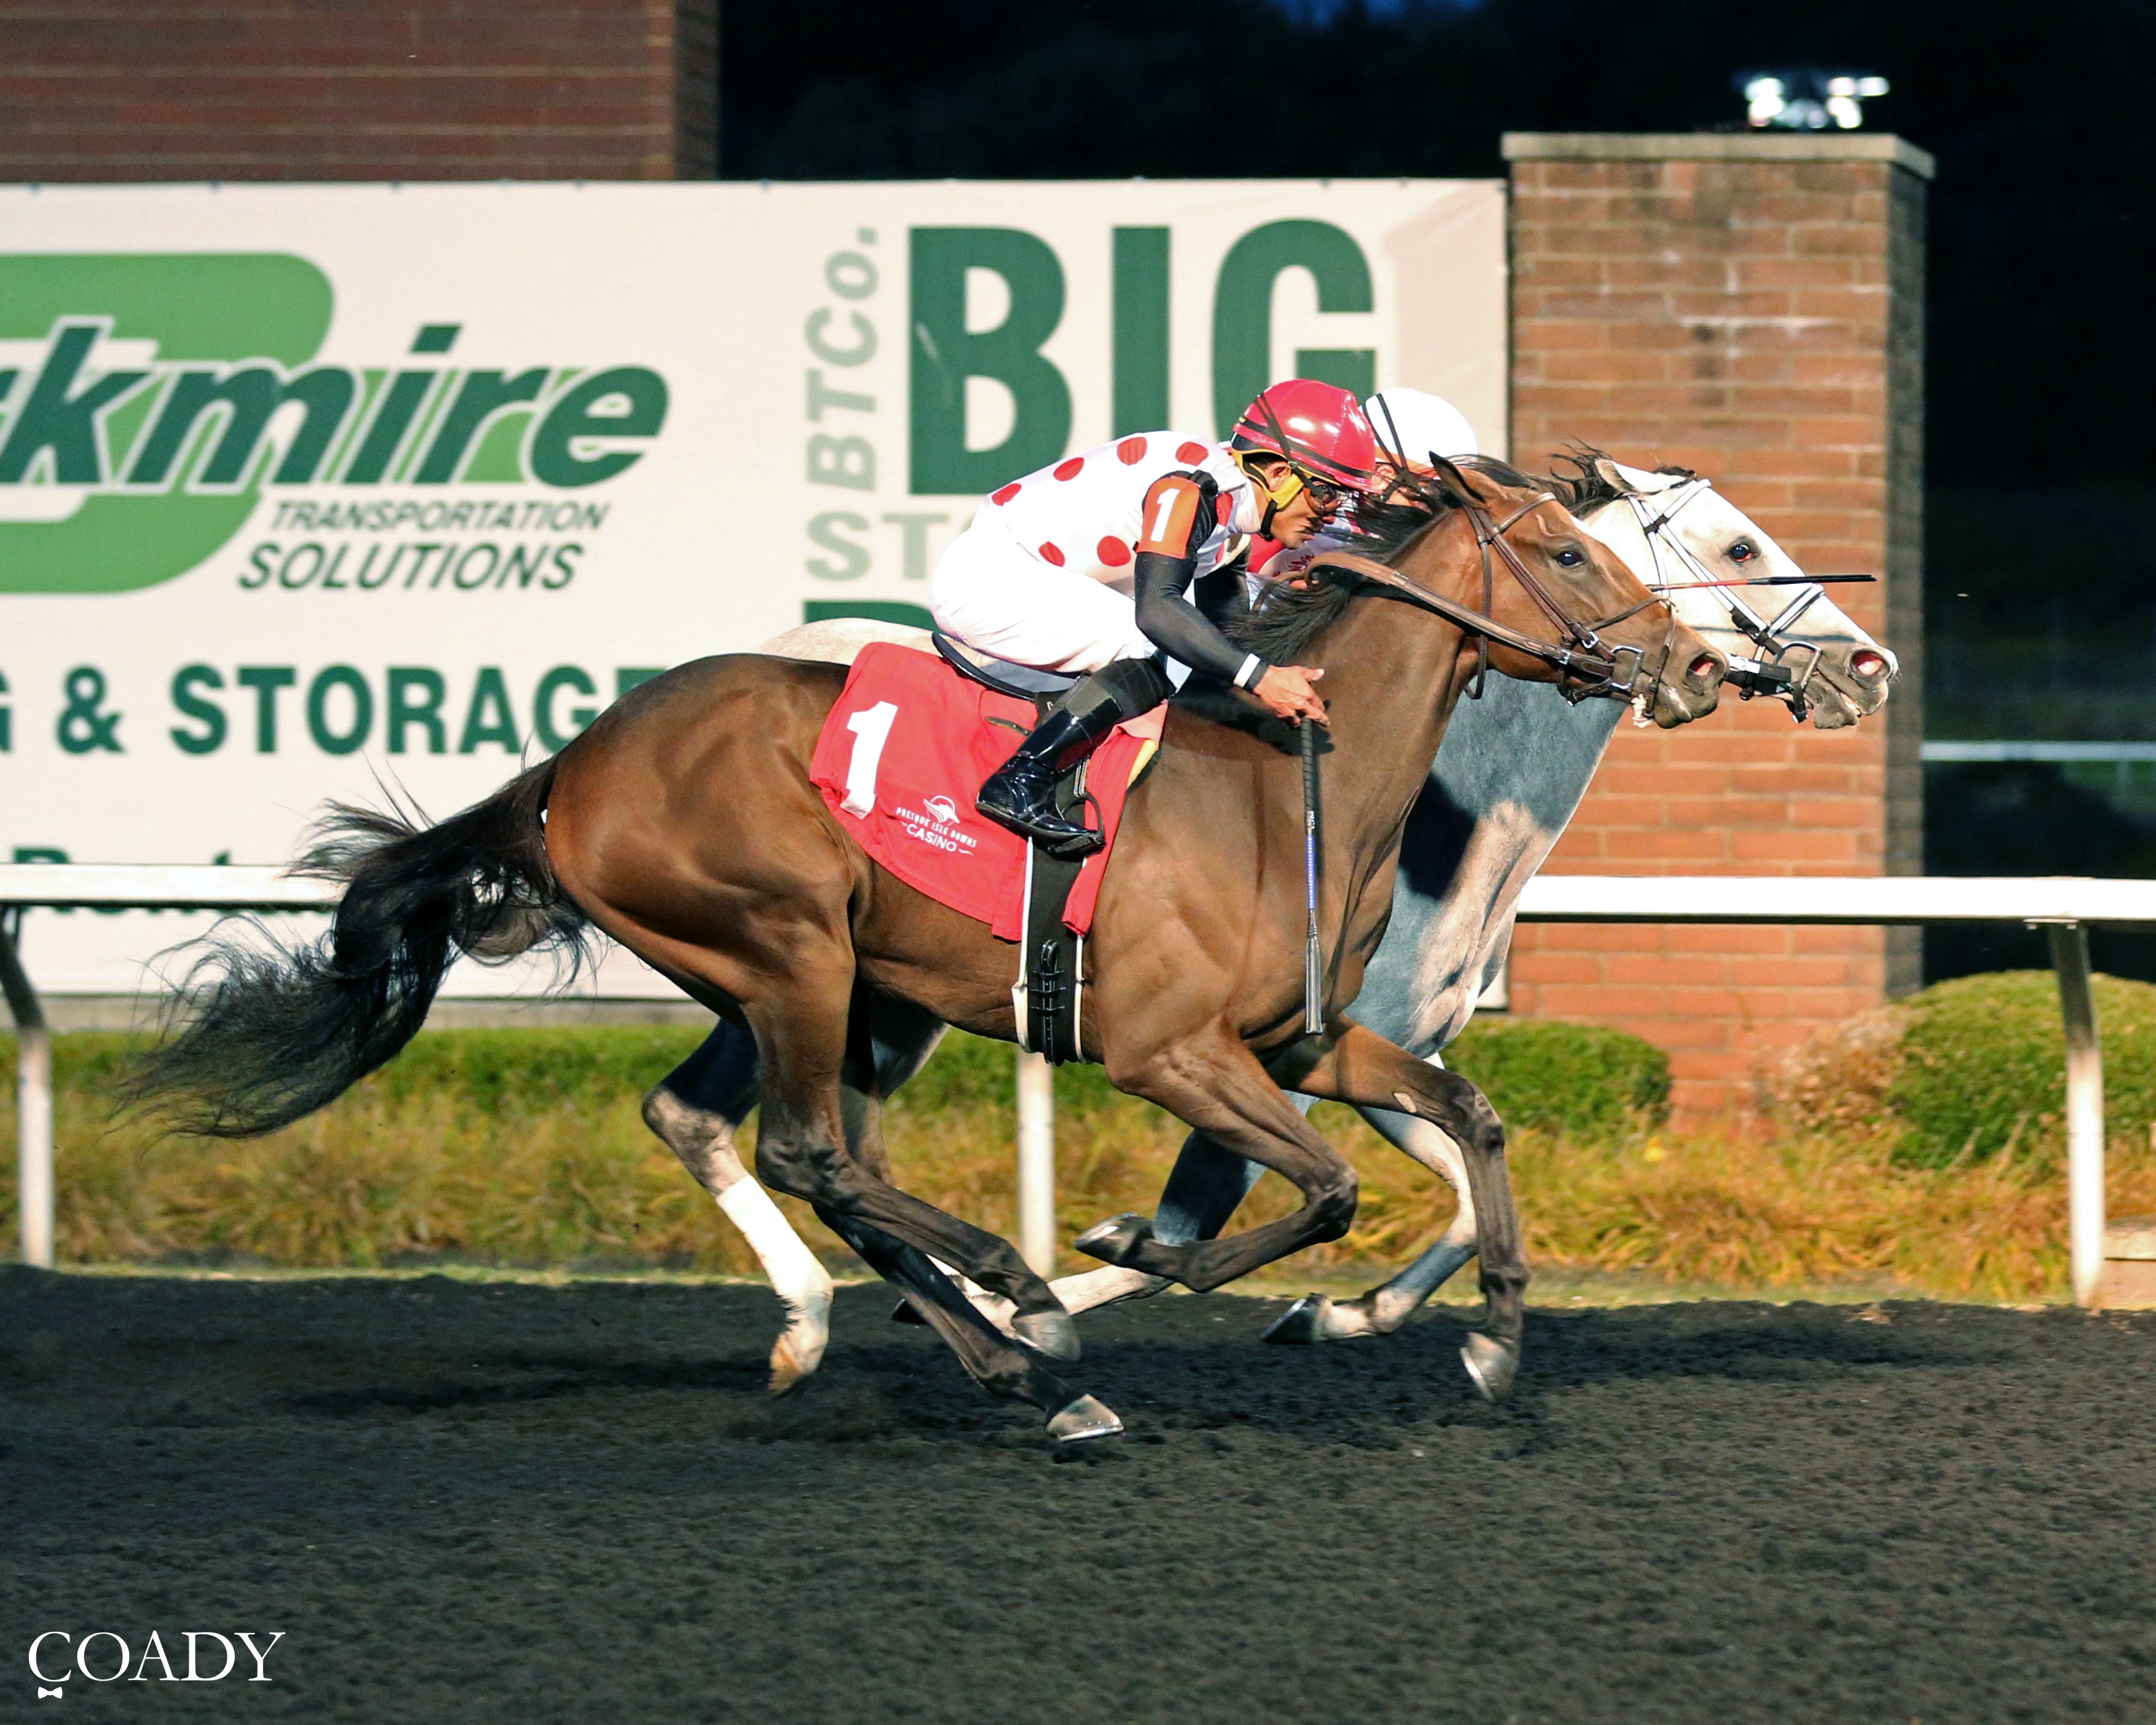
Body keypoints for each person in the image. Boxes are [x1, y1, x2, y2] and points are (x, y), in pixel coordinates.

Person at [932, 380, 1379, 855]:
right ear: (1276, 472)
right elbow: (1158, 612)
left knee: (1194, 653)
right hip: (989, 577)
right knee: (1157, 644)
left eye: (1342, 499)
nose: (1330, 514)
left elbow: (1226, 630)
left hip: (1033, 573)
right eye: (1326, 494)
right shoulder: (1192, 487)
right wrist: (1262, 678)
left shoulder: (1229, 512)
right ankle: (1021, 779)